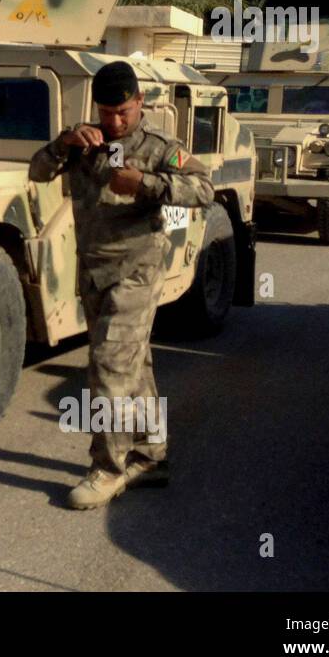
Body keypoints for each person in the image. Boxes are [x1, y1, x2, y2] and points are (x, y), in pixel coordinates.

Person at [28, 61, 213, 510]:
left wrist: (146, 185)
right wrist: (63, 143)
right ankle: (150, 456)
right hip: (93, 270)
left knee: (109, 368)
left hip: (136, 271)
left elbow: (204, 188)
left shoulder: (160, 147)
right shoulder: (84, 142)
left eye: (123, 112)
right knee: (134, 365)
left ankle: (107, 468)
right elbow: (36, 172)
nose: (114, 122)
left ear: (140, 103)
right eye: (106, 112)